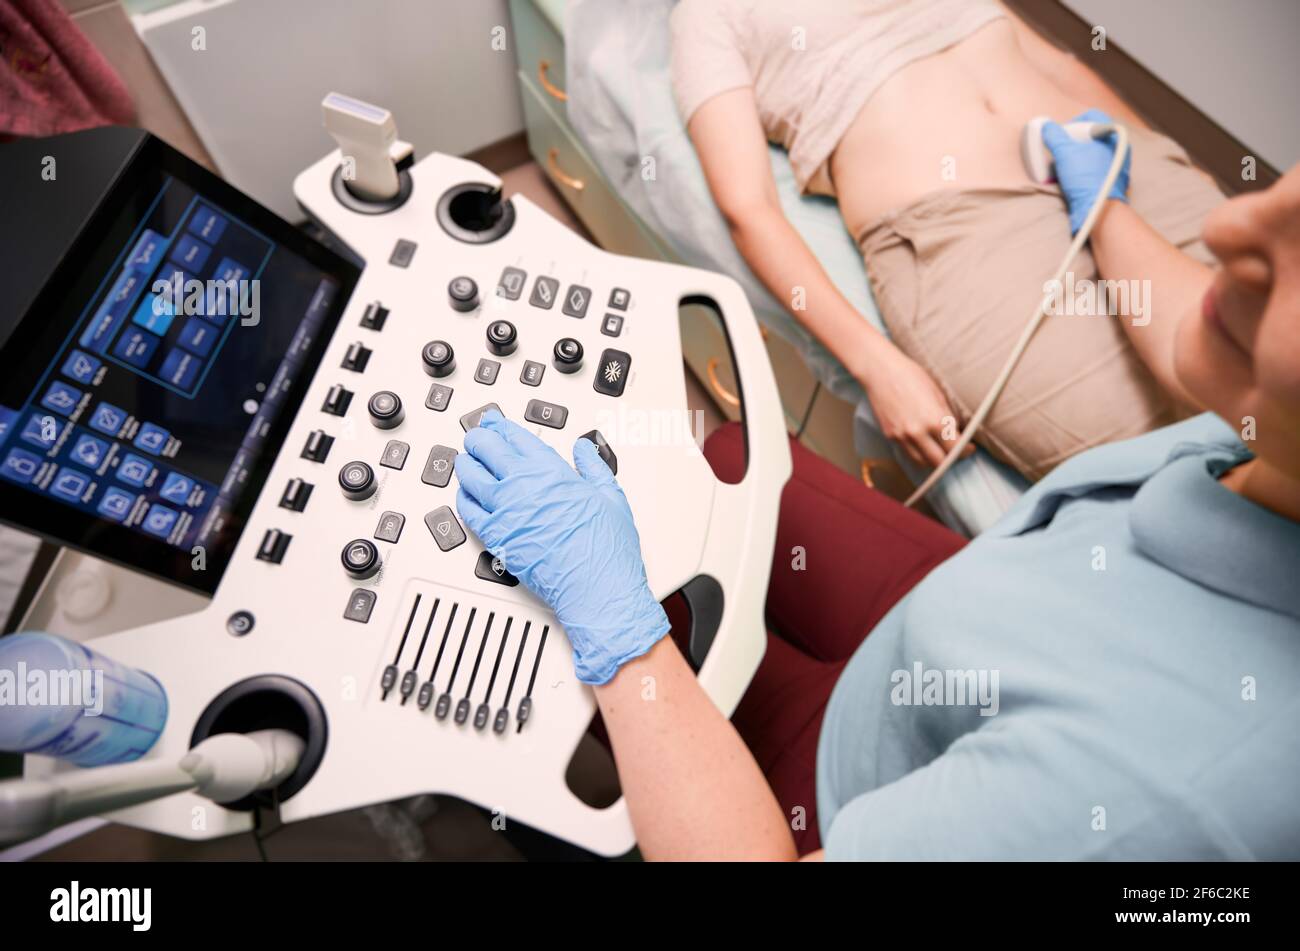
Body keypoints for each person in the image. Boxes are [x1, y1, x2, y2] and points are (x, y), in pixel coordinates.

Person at [453, 140, 1300, 858]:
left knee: (561, 642)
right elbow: (1206, 323)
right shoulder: (1271, 430)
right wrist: (1105, 206)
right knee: (738, 450)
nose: (1227, 226)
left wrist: (619, 630)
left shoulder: (1168, 782)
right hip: (986, 603)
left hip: (852, 776)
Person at [670, 0, 1227, 480]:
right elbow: (749, 207)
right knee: (1160, 454)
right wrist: (877, 365)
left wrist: (1168, 159)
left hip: (1120, 168)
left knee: (1271, 353)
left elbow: (1059, 66)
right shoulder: (710, 15)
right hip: (968, 234)